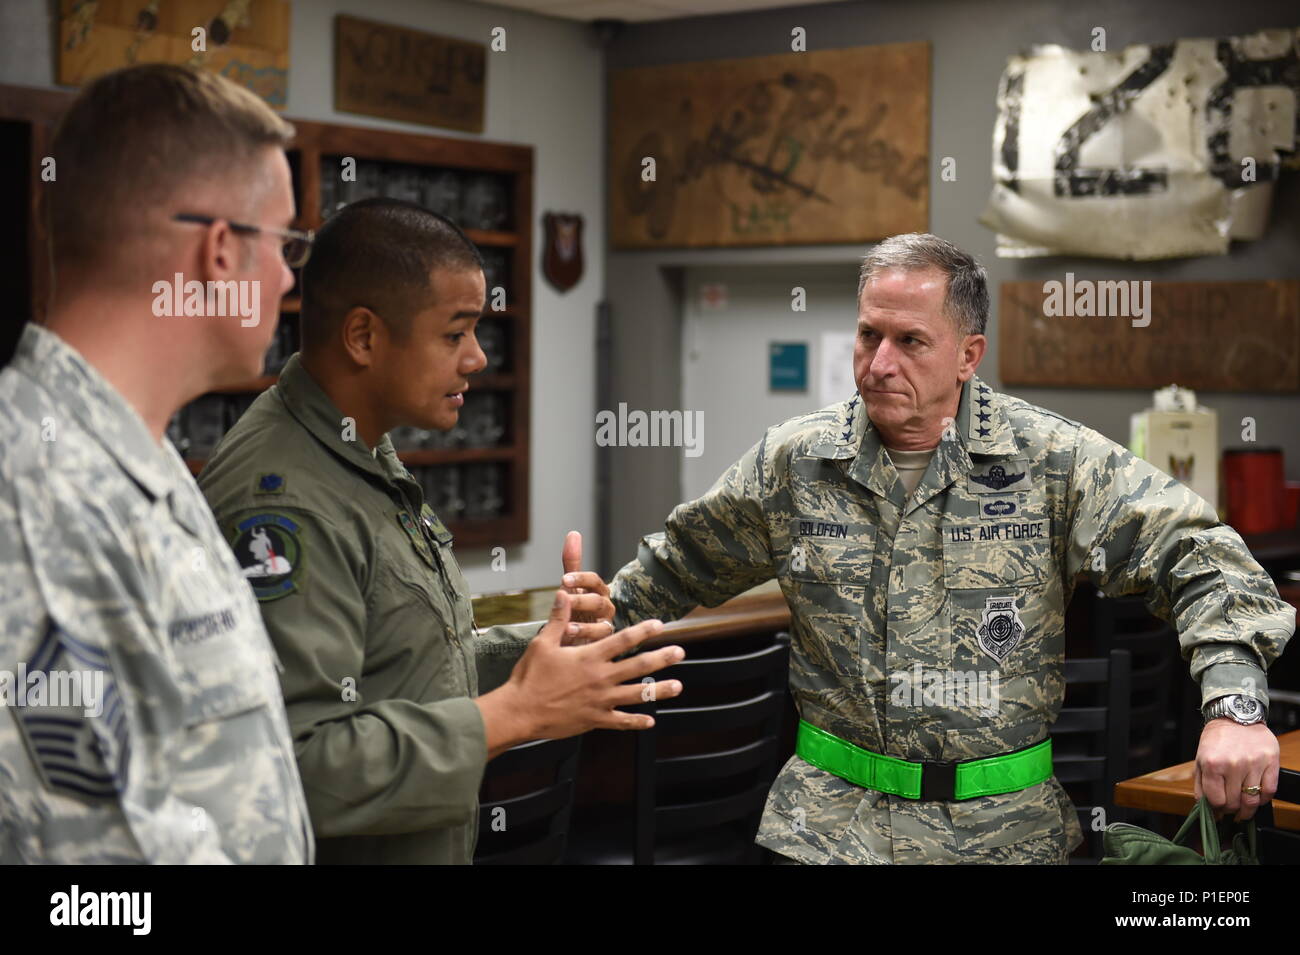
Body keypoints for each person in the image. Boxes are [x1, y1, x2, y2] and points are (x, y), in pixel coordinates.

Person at [608, 232, 1294, 864]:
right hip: (825, 835)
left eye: (910, 340)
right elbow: (670, 568)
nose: (879, 364)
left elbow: (1200, 554)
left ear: (969, 354)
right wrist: (574, 631)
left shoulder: (1049, 462)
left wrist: (1235, 708)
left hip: (1003, 837)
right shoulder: (795, 463)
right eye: (867, 334)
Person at [198, 197, 684, 864]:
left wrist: (541, 648)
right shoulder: (285, 504)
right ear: (364, 337)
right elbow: (297, 761)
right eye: (455, 333)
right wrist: (518, 711)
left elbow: (403, 669)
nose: (478, 358)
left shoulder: (360, 451)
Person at [0, 64, 313, 862]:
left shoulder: (138, 460)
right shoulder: (41, 491)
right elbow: (105, 878)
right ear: (218, 250)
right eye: (284, 244)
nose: (286, 276)